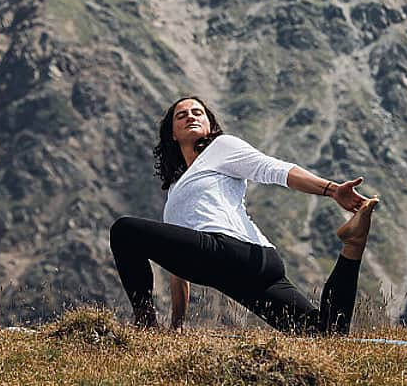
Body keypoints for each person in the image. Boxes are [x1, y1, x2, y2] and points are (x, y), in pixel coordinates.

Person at [110, 96, 379, 334]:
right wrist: (177, 325)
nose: (190, 116)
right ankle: (352, 246)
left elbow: (273, 168)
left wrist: (331, 190)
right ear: (172, 134)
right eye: (181, 115)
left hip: (228, 250)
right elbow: (176, 267)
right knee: (323, 333)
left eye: (197, 112)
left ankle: (144, 322)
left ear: (209, 126)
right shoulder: (176, 190)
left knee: (124, 231)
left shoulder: (221, 147)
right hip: (257, 265)